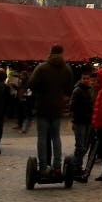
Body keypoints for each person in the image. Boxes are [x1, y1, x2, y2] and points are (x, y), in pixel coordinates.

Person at [28, 44, 74, 176]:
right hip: (57, 107)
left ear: (51, 52)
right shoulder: (66, 69)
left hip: (43, 106)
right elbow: (69, 88)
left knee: (42, 137)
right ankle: (57, 166)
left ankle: (43, 167)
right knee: (56, 137)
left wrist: (40, 92)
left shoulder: (42, 67)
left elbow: (31, 84)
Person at [69, 68, 95, 177]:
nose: (86, 80)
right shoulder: (77, 90)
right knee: (80, 145)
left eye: (87, 78)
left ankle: (76, 165)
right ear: (81, 79)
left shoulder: (89, 90)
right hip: (79, 121)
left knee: (84, 145)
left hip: (87, 121)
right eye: (84, 78)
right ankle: (76, 167)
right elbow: (72, 106)